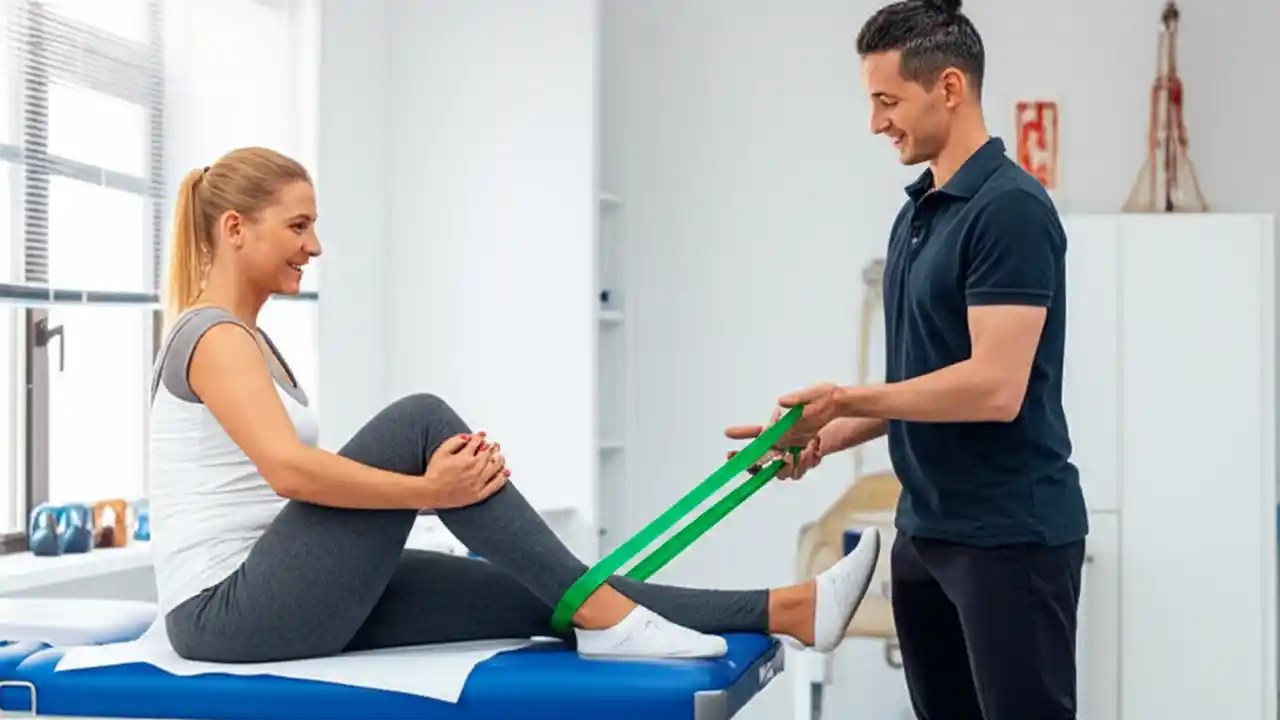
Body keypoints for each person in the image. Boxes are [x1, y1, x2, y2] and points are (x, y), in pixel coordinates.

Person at [147, 146, 882, 665]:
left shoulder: (252, 343)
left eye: (313, 226)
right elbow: (290, 474)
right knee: (421, 420)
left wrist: (428, 500)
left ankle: (789, 611)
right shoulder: (212, 337)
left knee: (539, 588)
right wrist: (430, 493)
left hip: (274, 594)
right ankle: (612, 619)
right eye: (298, 226)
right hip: (227, 612)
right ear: (235, 227)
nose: (315, 245)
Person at [726, 1, 1087, 718]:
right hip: (925, 535)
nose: (876, 122)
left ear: (948, 88)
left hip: (1008, 538)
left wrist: (844, 400)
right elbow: (916, 386)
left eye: (887, 101)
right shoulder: (919, 212)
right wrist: (822, 438)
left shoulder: (1010, 210)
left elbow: (994, 388)